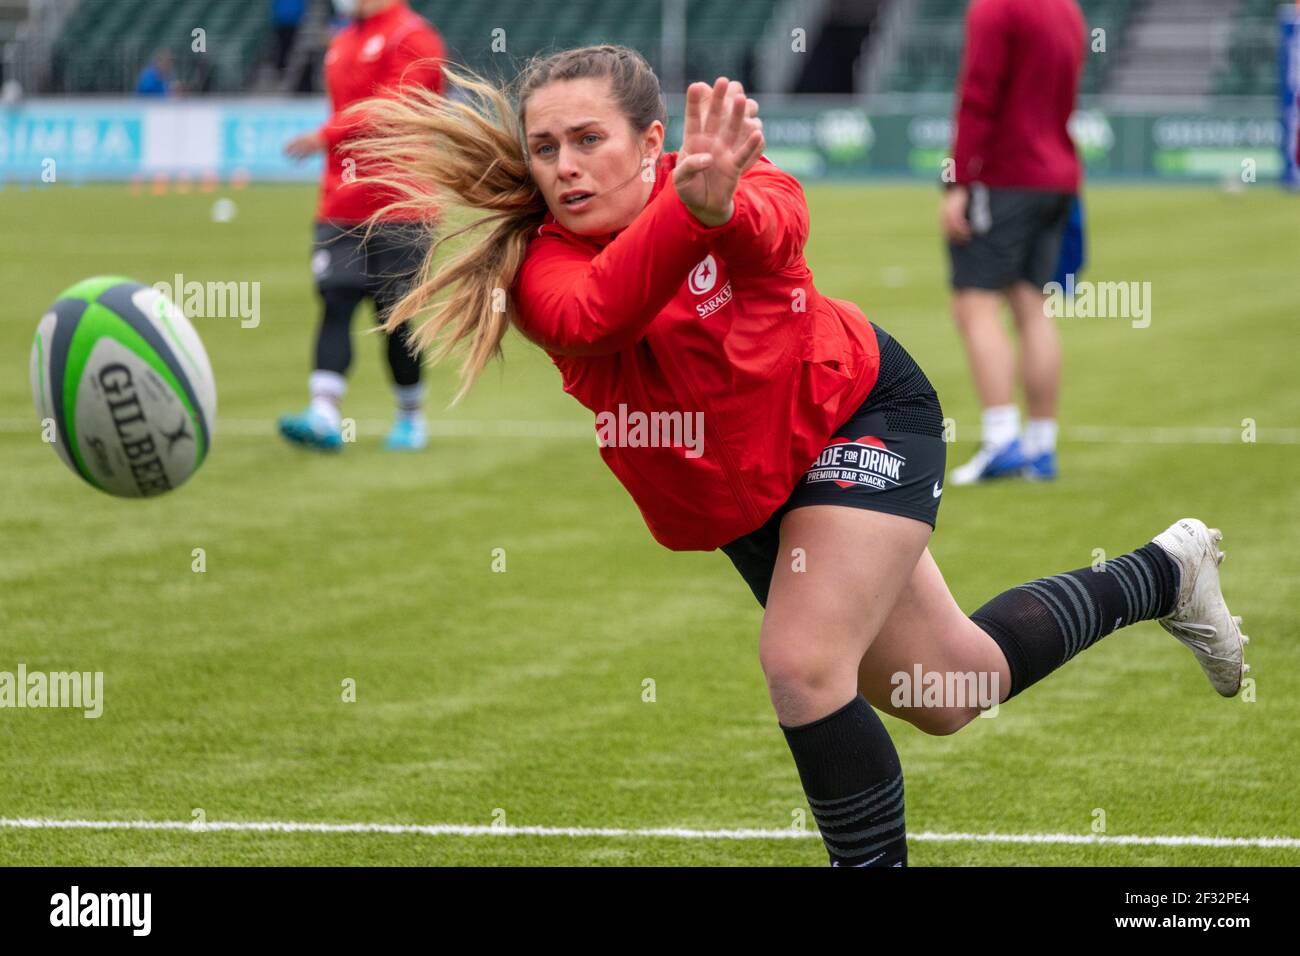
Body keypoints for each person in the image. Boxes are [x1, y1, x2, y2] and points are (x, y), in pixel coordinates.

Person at [350, 46, 1249, 866]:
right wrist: (690, 214)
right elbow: (600, 314)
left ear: (651, 139)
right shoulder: (542, 273)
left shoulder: (740, 182)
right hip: (749, 496)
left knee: (800, 664)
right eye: (545, 148)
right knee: (952, 690)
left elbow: (775, 230)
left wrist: (713, 205)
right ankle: (1164, 575)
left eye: (589, 139)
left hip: (859, 416)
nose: (565, 166)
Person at [279, 0, 446, 451]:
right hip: (339, 202)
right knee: (335, 298)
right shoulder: (343, 39)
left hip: (400, 202)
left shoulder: (412, 36)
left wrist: (326, 135)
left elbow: (396, 104)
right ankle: (324, 414)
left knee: (394, 318)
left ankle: (411, 416)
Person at [941, 0, 1085, 484]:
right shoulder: (1066, 9)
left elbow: (978, 95)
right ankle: (1040, 446)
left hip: (1005, 176)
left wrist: (957, 181)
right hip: (1056, 175)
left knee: (974, 304)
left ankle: (1002, 440)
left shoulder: (995, 8)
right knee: (1032, 305)